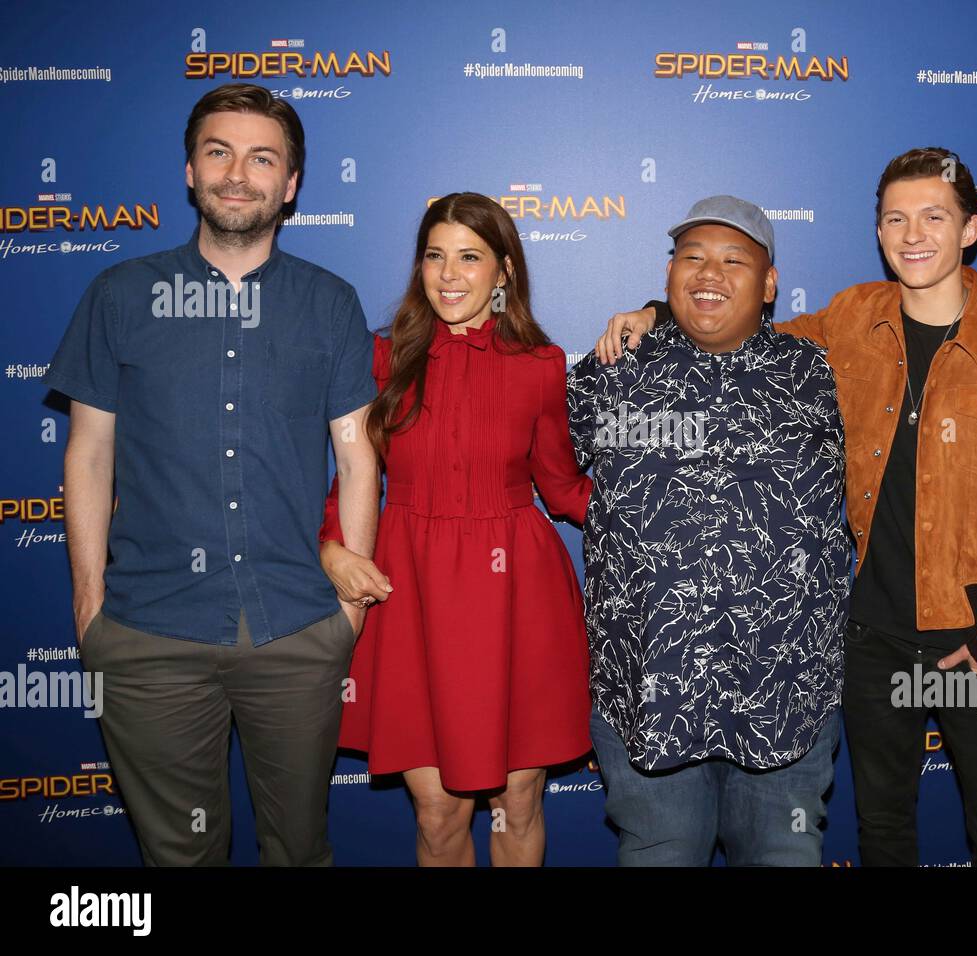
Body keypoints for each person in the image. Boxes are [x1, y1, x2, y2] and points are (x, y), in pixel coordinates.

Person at [596, 152, 977, 866]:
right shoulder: (852, 319)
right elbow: (743, 331)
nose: (912, 235)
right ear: (878, 230)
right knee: (882, 831)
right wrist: (659, 310)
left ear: (972, 228)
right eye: (895, 219)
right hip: (873, 637)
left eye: (934, 217)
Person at [43, 83, 379, 865]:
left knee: (299, 851)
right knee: (179, 858)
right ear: (191, 171)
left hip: (297, 628)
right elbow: (88, 453)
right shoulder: (120, 295)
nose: (238, 173)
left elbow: (357, 456)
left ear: (290, 185)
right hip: (147, 631)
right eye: (218, 152)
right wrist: (90, 602)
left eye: (263, 158)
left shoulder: (328, 304)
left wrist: (347, 615)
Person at [570, 196, 853, 866]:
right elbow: (542, 469)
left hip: (784, 698)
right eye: (693, 258)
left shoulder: (816, 372)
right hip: (653, 696)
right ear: (668, 273)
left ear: (770, 284)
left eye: (734, 261)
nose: (710, 273)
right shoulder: (612, 372)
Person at [317, 192, 592, 867]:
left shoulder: (541, 366)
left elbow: (562, 487)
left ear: (504, 272)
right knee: (439, 813)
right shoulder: (382, 360)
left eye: (469, 257)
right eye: (435, 256)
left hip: (518, 593)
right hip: (411, 590)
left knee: (516, 806)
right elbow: (353, 472)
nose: (448, 274)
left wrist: (664, 515)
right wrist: (331, 545)